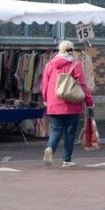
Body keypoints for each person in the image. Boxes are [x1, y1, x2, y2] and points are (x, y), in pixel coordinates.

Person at [39, 40, 94, 168]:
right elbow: (83, 85)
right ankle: (66, 160)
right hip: (72, 103)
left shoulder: (50, 64)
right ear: (72, 50)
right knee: (70, 132)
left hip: (54, 102)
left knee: (56, 129)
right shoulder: (76, 65)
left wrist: (45, 99)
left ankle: (50, 149)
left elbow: (44, 84)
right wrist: (89, 102)